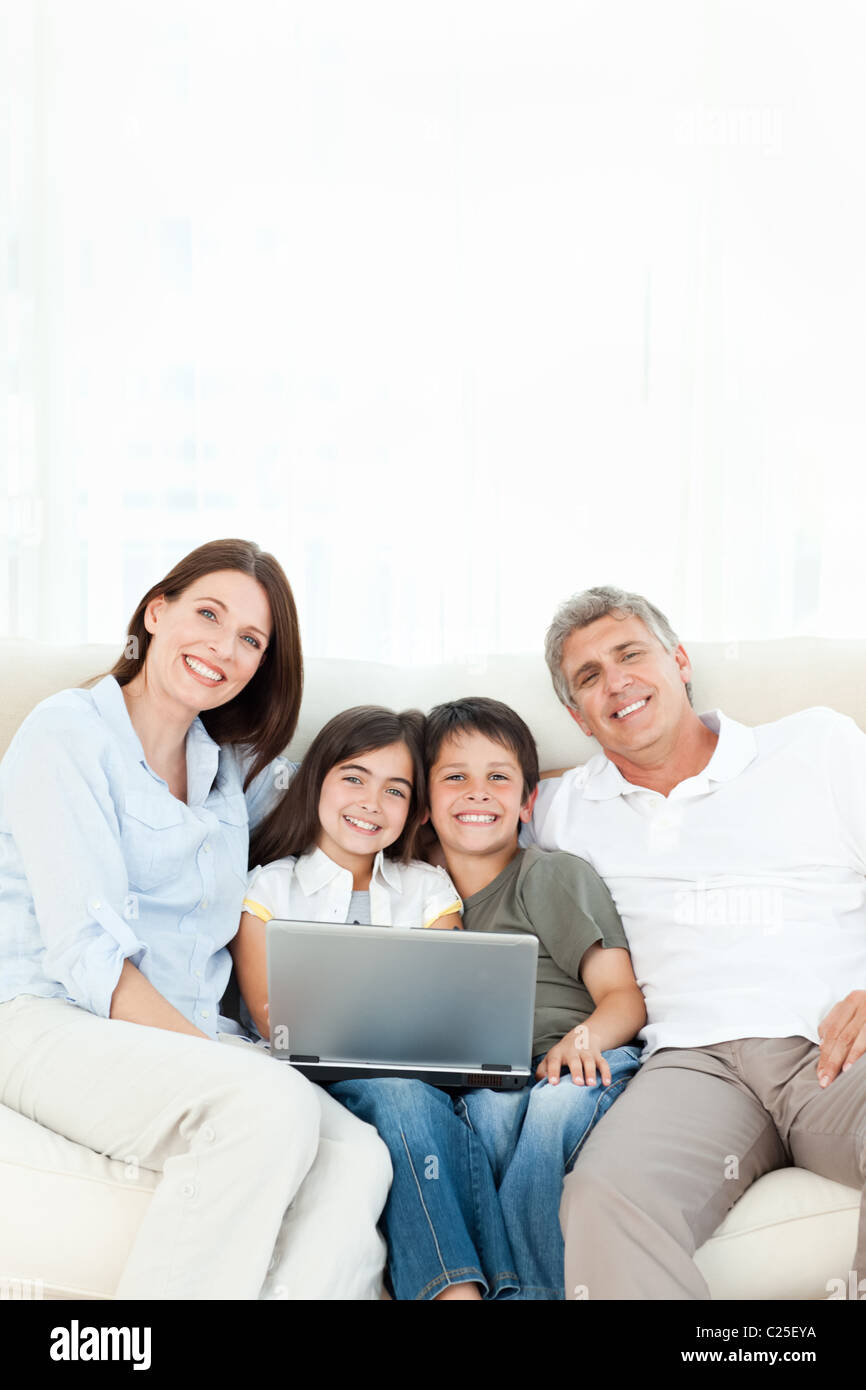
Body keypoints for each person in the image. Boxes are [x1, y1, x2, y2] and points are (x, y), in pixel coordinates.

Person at [0, 538, 391, 1300]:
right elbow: (89, 956)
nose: (224, 647)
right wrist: (227, 1063)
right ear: (155, 612)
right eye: (208, 614)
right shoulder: (67, 731)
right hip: (46, 1017)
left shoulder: (228, 769)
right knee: (267, 1104)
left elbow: (336, 801)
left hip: (184, 1037)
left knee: (360, 1156)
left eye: (251, 639)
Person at [528, 583, 866, 1299]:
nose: (615, 682)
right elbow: (460, 814)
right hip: (692, 1067)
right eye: (588, 677)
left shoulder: (817, 745)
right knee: (603, 1193)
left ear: (679, 660)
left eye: (630, 654)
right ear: (576, 717)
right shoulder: (565, 809)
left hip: (835, 1046)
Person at [315, 698, 645, 1301]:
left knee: (548, 1115)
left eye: (498, 777)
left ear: (527, 802)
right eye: (455, 778)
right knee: (484, 1122)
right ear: (423, 806)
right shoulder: (410, 895)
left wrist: (580, 1044)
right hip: (486, 1081)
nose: (477, 793)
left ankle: (531, 1291)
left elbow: (623, 997)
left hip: (583, 1062)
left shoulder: (550, 877)